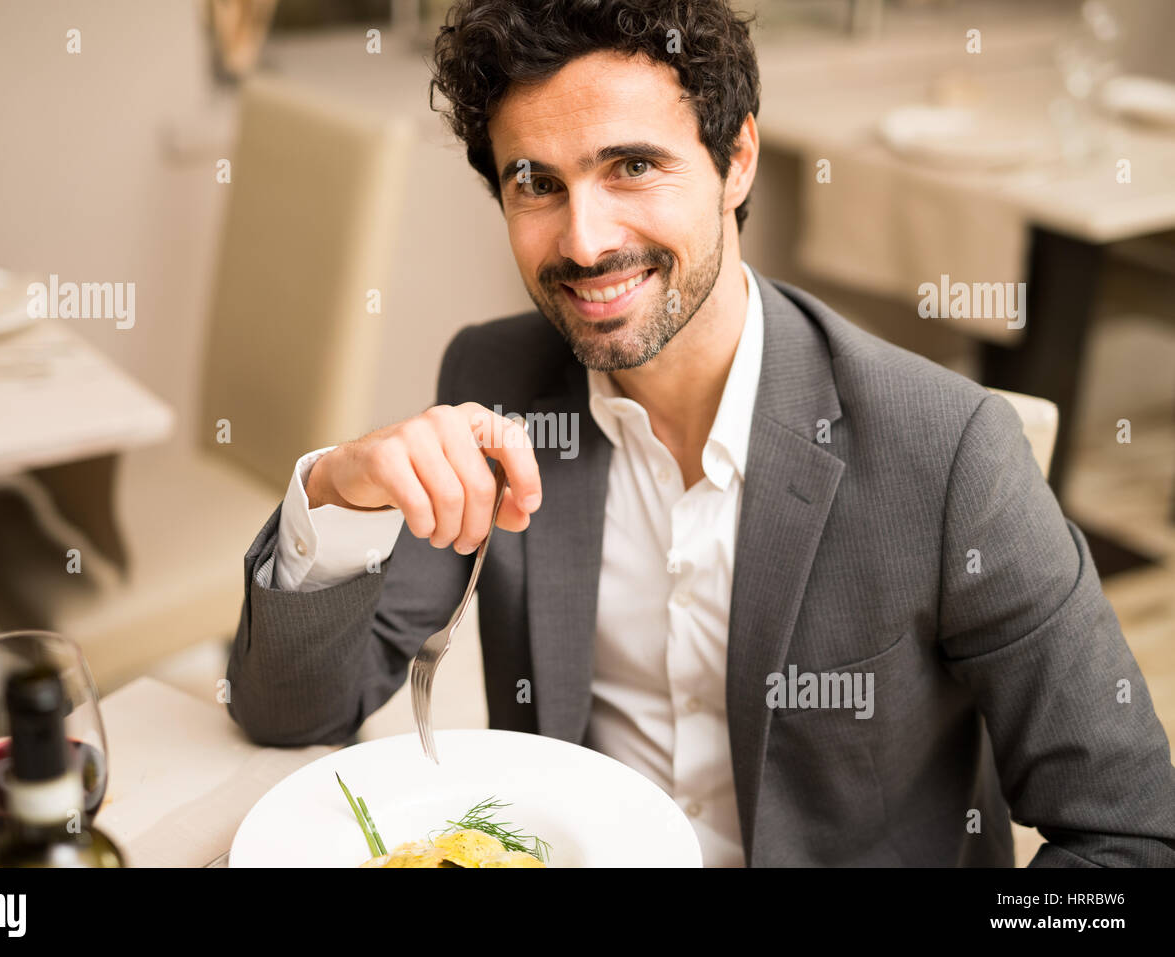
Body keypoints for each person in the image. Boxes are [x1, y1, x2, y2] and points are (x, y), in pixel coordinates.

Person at [225, 0, 1175, 866]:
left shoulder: (950, 448)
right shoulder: (493, 382)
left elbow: (1130, 832)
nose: (587, 240)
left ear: (738, 159)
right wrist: (337, 493)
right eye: (537, 183)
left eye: (633, 166)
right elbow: (291, 713)